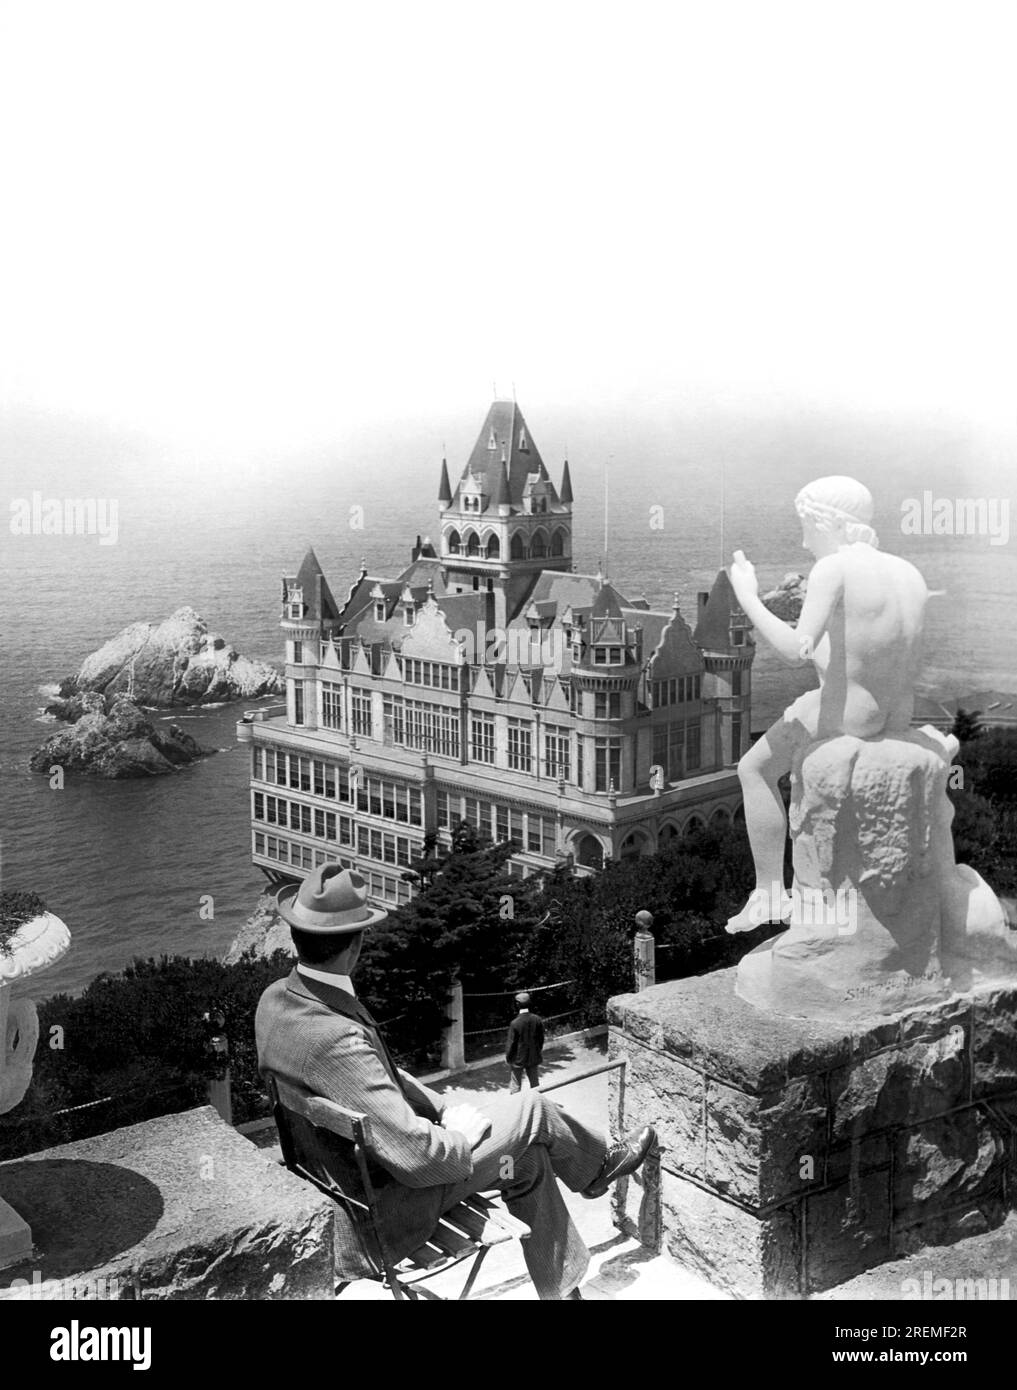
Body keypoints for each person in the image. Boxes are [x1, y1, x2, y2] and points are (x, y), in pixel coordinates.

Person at [255, 864, 656, 1301]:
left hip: (345, 1193)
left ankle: (564, 1292)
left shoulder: (277, 1000)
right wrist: (459, 1136)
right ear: (357, 943)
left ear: (297, 935)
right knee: (533, 1109)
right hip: (383, 1218)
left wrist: (443, 1108)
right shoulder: (335, 1037)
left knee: (527, 1160)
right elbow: (416, 1156)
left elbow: (376, 1078)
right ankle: (597, 1168)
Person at [724, 475, 929, 933]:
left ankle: (769, 893)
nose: (803, 540)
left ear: (826, 521)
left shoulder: (833, 568)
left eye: (806, 526)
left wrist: (749, 596)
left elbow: (795, 650)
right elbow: (878, 651)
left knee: (753, 769)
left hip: (848, 716)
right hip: (897, 713)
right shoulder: (908, 573)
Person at [506, 991, 544, 1092]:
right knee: (535, 1084)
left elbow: (511, 1044)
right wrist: (537, 1051)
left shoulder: (515, 1023)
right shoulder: (537, 1019)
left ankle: (517, 1106)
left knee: (516, 1085)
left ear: (517, 1005)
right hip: (533, 1056)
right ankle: (537, 1103)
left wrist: (509, 1058)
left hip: (518, 1059)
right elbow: (541, 1040)